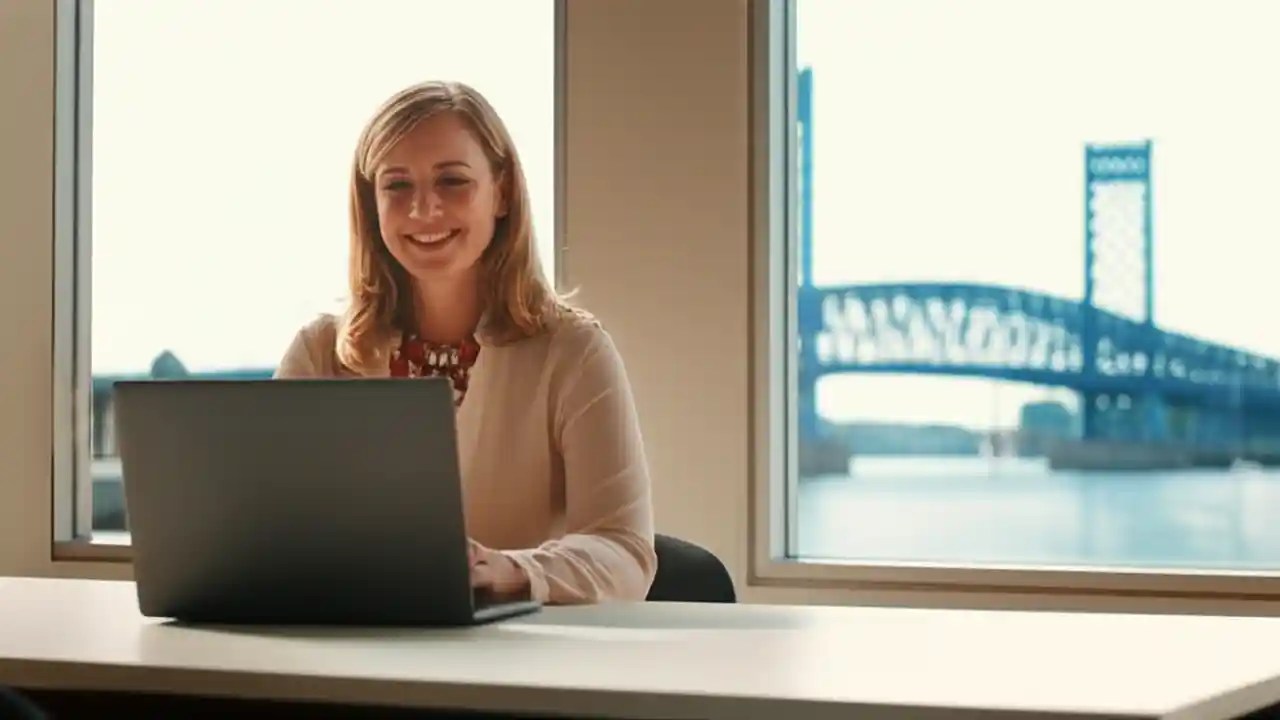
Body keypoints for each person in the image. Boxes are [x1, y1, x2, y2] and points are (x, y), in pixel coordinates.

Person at [273, 80, 657, 605]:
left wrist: (506, 570)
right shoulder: (320, 353)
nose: (424, 209)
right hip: (352, 652)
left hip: (518, 662)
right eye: (397, 186)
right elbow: (269, 536)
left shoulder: (574, 352)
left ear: (501, 192)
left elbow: (625, 553)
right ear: (372, 204)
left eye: (453, 181)